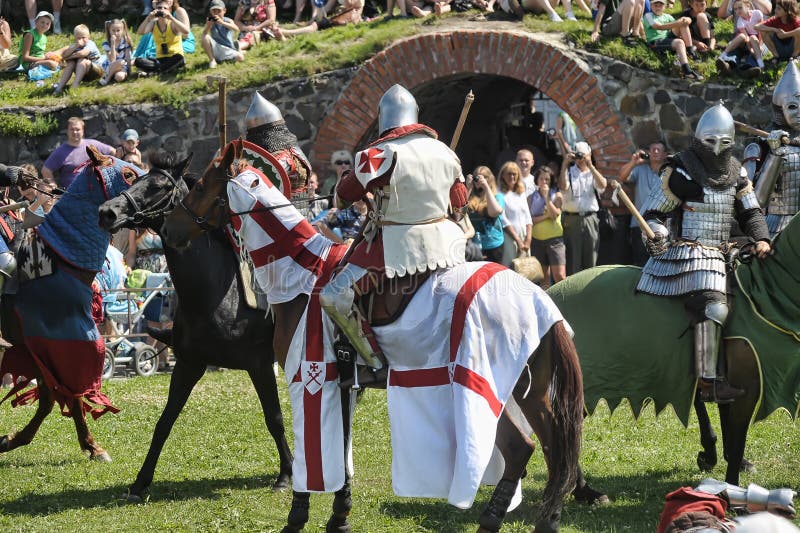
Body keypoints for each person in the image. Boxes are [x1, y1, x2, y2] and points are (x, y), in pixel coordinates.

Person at [319, 84, 468, 372]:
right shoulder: (445, 153)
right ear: (414, 114)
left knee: (333, 296)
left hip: (396, 246)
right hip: (448, 245)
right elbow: (460, 205)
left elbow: (345, 195)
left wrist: (350, 176)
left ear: (383, 117)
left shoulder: (378, 153)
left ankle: (372, 362)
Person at [637, 102, 771, 404]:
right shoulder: (681, 171)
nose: (716, 148)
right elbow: (654, 213)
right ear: (699, 139)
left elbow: (751, 212)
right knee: (714, 306)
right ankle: (708, 381)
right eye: (711, 141)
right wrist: (657, 234)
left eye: (723, 142)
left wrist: (762, 238)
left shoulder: (737, 172)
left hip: (728, 250)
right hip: (693, 252)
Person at [748, 59, 800, 238]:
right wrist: (775, 154)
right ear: (780, 109)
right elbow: (756, 200)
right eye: (792, 107)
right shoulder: (760, 145)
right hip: (777, 227)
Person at [558, 141, 607, 275]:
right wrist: (564, 164)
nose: (580, 159)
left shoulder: (593, 172)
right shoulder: (569, 172)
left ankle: (589, 284)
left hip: (590, 218)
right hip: (571, 219)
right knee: (572, 258)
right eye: (578, 156)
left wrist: (591, 166)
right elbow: (562, 187)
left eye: (583, 156)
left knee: (591, 256)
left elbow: (603, 185)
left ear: (589, 155)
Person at [617, 140, 668, 266]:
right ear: (648, 153)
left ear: (665, 154)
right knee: (640, 265)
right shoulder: (640, 169)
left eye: (658, 149)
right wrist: (633, 162)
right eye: (652, 149)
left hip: (662, 227)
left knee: (660, 265)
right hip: (639, 225)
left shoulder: (669, 173)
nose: (655, 151)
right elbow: (621, 177)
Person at [42, 117, 116, 190]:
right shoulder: (61, 151)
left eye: (77, 129)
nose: (75, 132)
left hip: (96, 190)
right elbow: (45, 170)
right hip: (73, 193)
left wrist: (108, 170)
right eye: (72, 129)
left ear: (83, 130)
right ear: (67, 131)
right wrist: (52, 184)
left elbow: (113, 152)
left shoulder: (92, 145)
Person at [644, 0, 704, 80]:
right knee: (679, 42)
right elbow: (658, 27)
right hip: (655, 42)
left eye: (660, 5)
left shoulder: (667, 16)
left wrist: (687, 20)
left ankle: (690, 52)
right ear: (651, 6)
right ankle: (687, 71)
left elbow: (681, 23)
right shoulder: (648, 15)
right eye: (655, 5)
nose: (658, 7)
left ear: (665, 7)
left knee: (683, 23)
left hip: (667, 39)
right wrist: (678, 23)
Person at [528, 166, 565, 288]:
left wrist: (546, 197)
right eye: (541, 179)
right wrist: (545, 216)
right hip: (537, 241)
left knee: (559, 275)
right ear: (537, 180)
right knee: (543, 277)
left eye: (547, 179)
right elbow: (530, 219)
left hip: (555, 240)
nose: (544, 182)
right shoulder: (531, 197)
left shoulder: (557, 195)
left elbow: (554, 215)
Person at [134, 0, 191, 74]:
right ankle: (162, 70)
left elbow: (186, 31)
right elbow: (140, 32)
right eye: (159, 8)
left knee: (179, 58)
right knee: (138, 61)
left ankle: (154, 71)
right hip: (159, 59)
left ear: (169, 10)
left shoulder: (172, 23)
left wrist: (171, 17)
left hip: (173, 56)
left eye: (165, 8)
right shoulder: (153, 23)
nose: (162, 10)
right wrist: (148, 17)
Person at [467, 165, 506, 263]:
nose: (479, 179)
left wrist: (486, 187)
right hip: (473, 246)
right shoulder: (469, 197)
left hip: (493, 244)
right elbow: (459, 213)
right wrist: (468, 189)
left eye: (484, 177)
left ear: (490, 179)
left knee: (493, 272)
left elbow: (494, 212)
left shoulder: (498, 197)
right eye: (476, 176)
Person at [52, 24, 104, 96]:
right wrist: (75, 47)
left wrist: (67, 58)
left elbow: (82, 53)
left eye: (83, 37)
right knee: (70, 63)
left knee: (81, 59)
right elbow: (65, 55)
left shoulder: (90, 44)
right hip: (83, 74)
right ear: (75, 38)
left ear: (88, 37)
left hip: (96, 72)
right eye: (78, 38)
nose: (81, 40)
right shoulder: (75, 45)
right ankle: (60, 87)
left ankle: (75, 85)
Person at [718, 0, 765, 74]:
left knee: (753, 40)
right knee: (743, 37)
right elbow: (746, 37)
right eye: (735, 9)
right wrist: (750, 49)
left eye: (740, 8)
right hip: (746, 39)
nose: (738, 11)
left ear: (748, 6)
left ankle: (755, 65)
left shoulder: (757, 13)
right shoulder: (740, 21)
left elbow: (761, 30)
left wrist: (760, 44)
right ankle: (726, 59)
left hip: (757, 38)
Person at [498, 161, 532, 255]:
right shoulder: (499, 194)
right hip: (509, 237)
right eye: (509, 174)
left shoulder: (521, 193)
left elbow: (528, 216)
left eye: (514, 174)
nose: (512, 177)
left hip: (524, 236)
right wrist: (517, 240)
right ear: (503, 175)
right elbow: (503, 219)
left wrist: (528, 239)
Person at [202, 0, 245, 69]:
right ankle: (212, 60)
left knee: (240, 58)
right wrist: (208, 25)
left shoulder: (228, 20)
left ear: (224, 11)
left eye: (219, 11)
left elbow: (236, 29)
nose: (216, 14)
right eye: (214, 11)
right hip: (216, 47)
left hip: (227, 48)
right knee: (205, 36)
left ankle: (225, 58)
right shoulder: (210, 20)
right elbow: (204, 34)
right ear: (211, 12)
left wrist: (222, 23)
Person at [99, 19, 134, 86]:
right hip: (111, 66)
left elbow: (128, 57)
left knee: (119, 77)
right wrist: (113, 45)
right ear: (109, 31)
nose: (116, 33)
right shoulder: (106, 43)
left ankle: (113, 76)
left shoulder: (125, 41)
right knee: (120, 61)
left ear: (122, 30)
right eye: (113, 30)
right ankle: (107, 78)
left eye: (118, 30)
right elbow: (112, 60)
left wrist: (129, 71)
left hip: (122, 66)